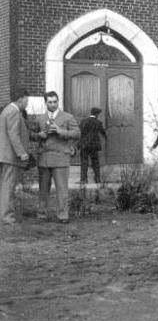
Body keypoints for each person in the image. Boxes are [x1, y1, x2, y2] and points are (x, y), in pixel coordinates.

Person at [31, 91, 80, 223]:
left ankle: (63, 215)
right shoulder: (40, 119)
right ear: (45, 103)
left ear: (58, 102)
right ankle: (42, 214)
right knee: (43, 189)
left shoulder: (67, 117)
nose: (53, 104)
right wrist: (39, 135)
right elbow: (32, 134)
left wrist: (60, 131)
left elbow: (77, 133)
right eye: (50, 102)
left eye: (55, 102)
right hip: (44, 158)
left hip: (60, 158)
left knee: (62, 189)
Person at [0, 88, 31, 225]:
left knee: (6, 185)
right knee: (8, 186)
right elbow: (14, 135)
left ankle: (5, 214)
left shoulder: (7, 110)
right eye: (26, 100)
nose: (27, 103)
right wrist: (22, 153)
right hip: (11, 156)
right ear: (21, 99)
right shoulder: (13, 112)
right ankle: (7, 217)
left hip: (5, 155)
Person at [77, 107, 106, 184]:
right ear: (96, 114)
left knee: (84, 162)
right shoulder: (98, 122)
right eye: (98, 114)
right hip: (94, 146)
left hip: (84, 145)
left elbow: (78, 132)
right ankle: (97, 179)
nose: (98, 116)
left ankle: (83, 180)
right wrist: (106, 136)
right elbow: (103, 132)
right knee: (95, 163)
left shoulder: (84, 121)